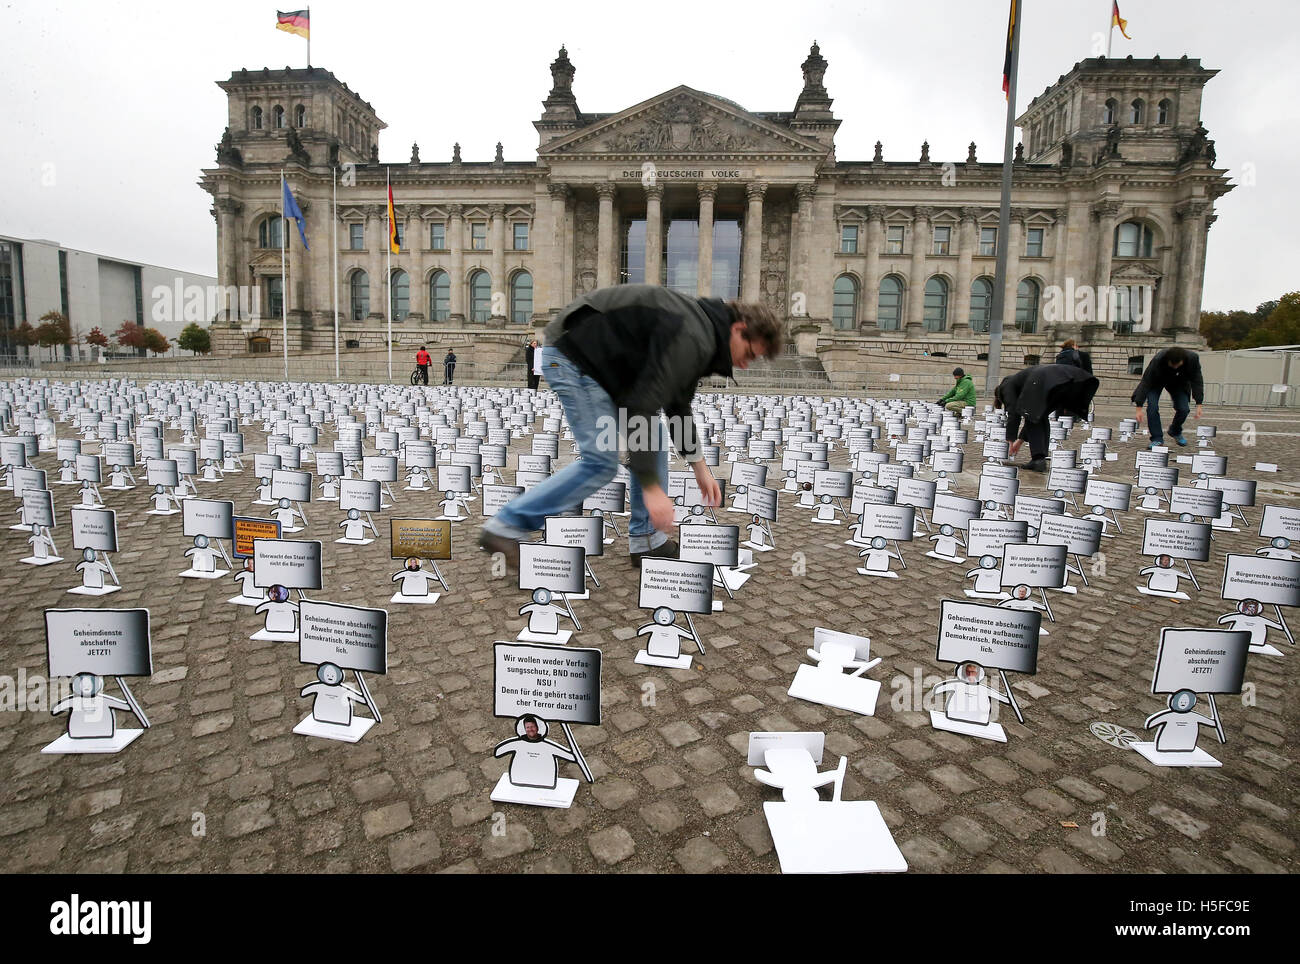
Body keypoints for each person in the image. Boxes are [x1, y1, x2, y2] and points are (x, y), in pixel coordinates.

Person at [478, 284, 781, 568]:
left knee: (655, 437)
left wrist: (700, 467)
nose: (745, 364)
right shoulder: (695, 335)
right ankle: (506, 525)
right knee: (601, 462)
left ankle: (646, 539)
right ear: (739, 330)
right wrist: (651, 489)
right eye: (751, 353)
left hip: (606, 369)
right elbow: (641, 406)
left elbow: (677, 406)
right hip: (575, 357)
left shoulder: (702, 336)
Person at [994, 363, 1100, 473]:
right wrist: (1019, 441)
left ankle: (1038, 459)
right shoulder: (1019, 381)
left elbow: (1013, 413)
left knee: (1033, 415)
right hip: (1067, 379)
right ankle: (1040, 458)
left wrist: (1010, 441)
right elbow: (1034, 417)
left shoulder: (1006, 386)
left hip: (1044, 379)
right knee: (1040, 416)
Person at [1132, 346, 1204, 448]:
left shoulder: (1193, 359)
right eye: (1172, 364)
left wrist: (1199, 403)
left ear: (1183, 361)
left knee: (1184, 409)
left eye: (1177, 365)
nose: (1174, 367)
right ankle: (1157, 438)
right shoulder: (1158, 359)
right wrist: (1139, 407)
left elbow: (1197, 380)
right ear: (1167, 360)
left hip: (1179, 383)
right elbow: (1146, 382)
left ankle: (1175, 431)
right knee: (1152, 408)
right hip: (1156, 382)